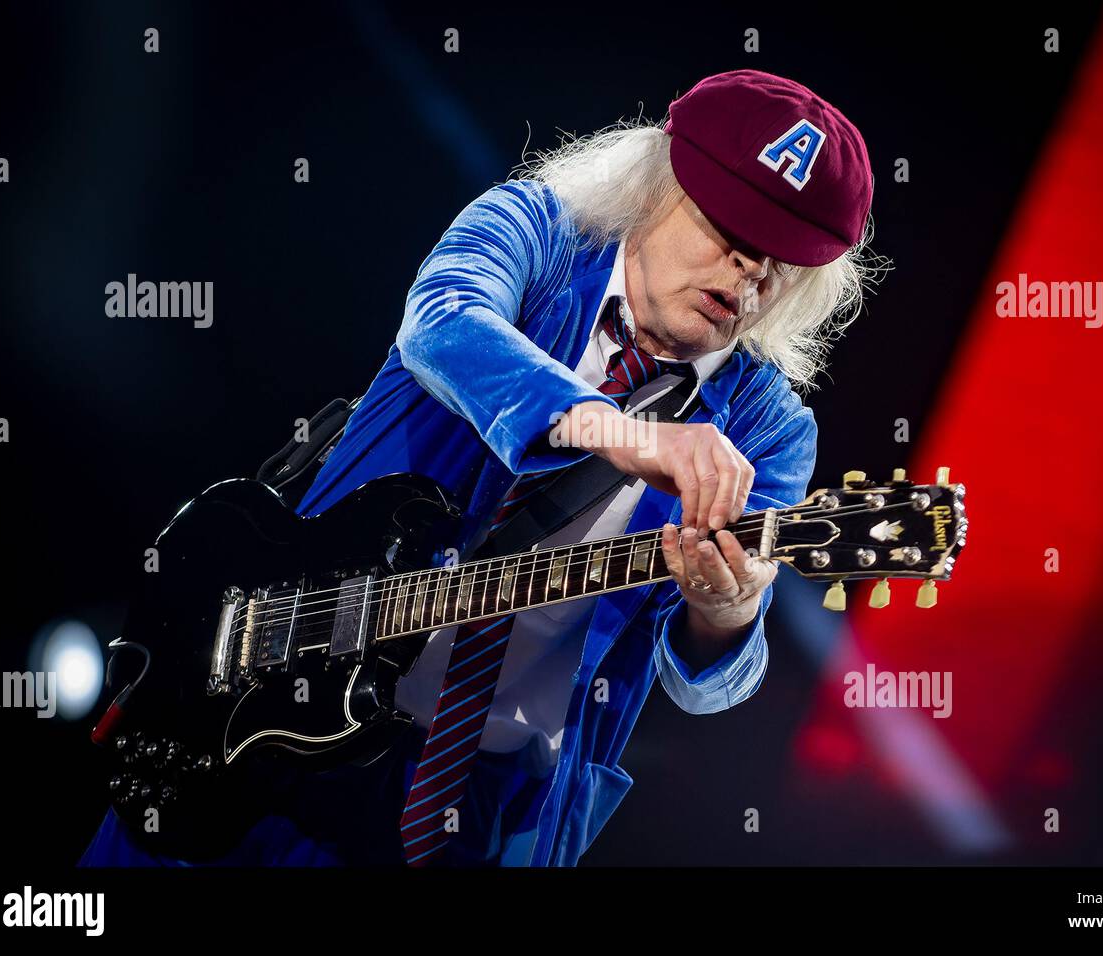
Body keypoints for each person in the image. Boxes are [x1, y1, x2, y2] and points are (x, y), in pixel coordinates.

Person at [79, 68, 875, 867]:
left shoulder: (770, 428)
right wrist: (628, 438)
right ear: (659, 180)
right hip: (264, 696)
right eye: (728, 229)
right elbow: (445, 325)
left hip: (465, 800)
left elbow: (709, 685)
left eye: (780, 261)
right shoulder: (533, 229)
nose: (748, 275)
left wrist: (727, 613)